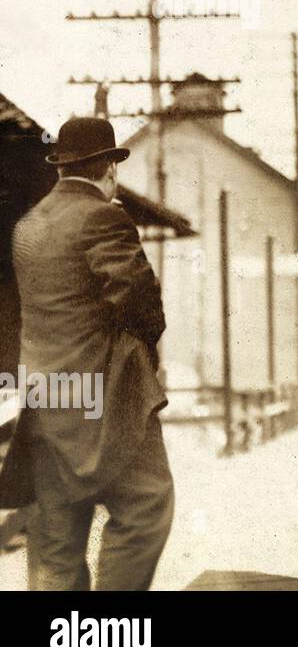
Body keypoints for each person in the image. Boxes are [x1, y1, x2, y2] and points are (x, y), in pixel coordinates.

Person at [0, 117, 172, 590]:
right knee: (145, 507)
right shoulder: (103, 217)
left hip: (46, 398)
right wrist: (143, 365)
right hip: (107, 399)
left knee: (56, 534)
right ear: (110, 169)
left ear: (60, 169)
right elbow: (140, 303)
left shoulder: (28, 226)